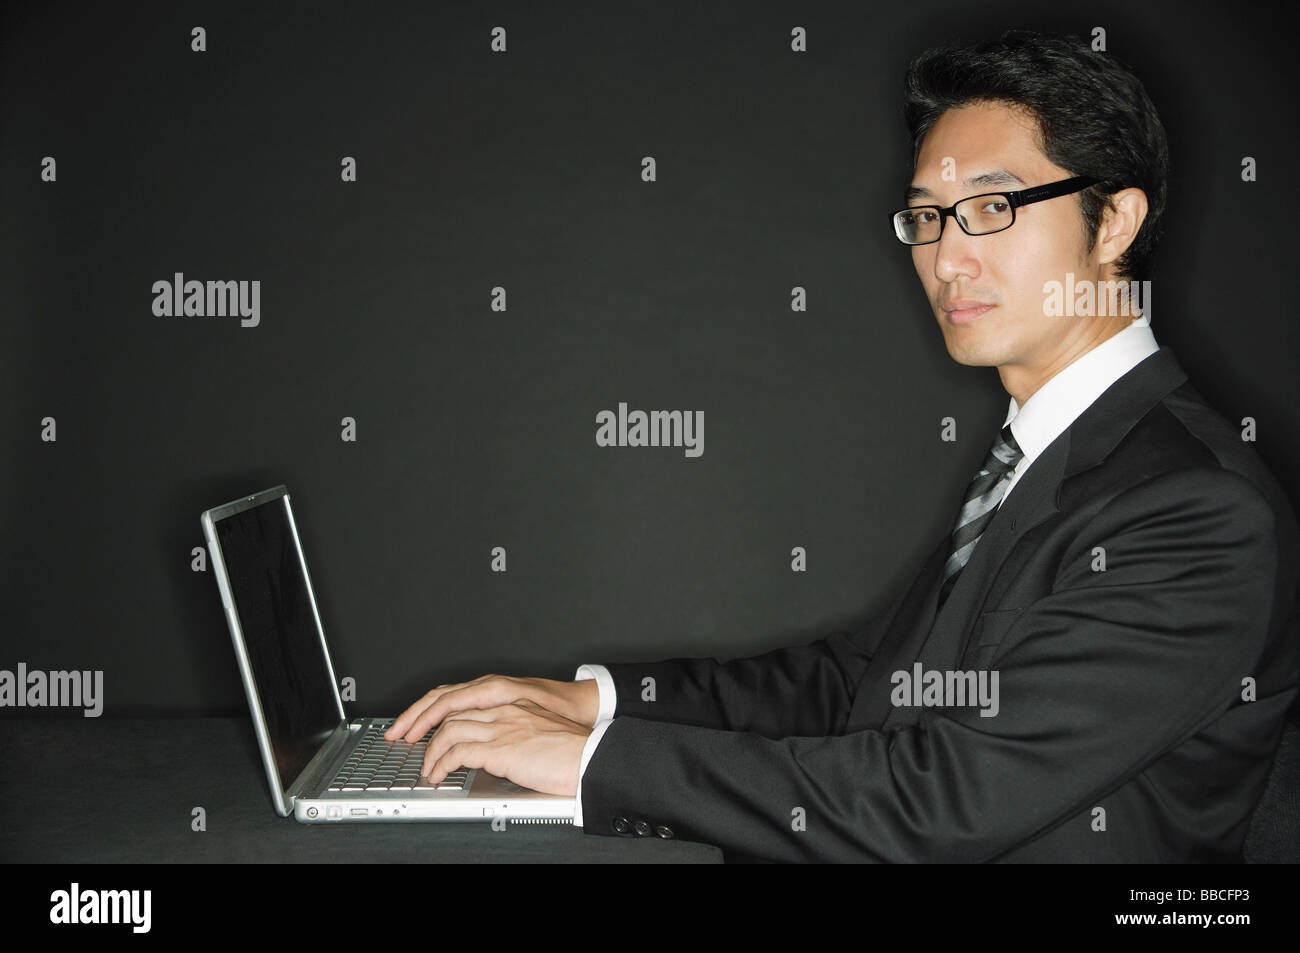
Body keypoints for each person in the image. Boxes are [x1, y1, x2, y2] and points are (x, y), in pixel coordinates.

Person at [384, 30, 1299, 862]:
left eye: (991, 207)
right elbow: (858, 684)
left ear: (1116, 223)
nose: (947, 258)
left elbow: (936, 803)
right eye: (927, 216)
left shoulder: (1196, 510)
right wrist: (597, 704)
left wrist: (597, 763)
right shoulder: (1040, 455)